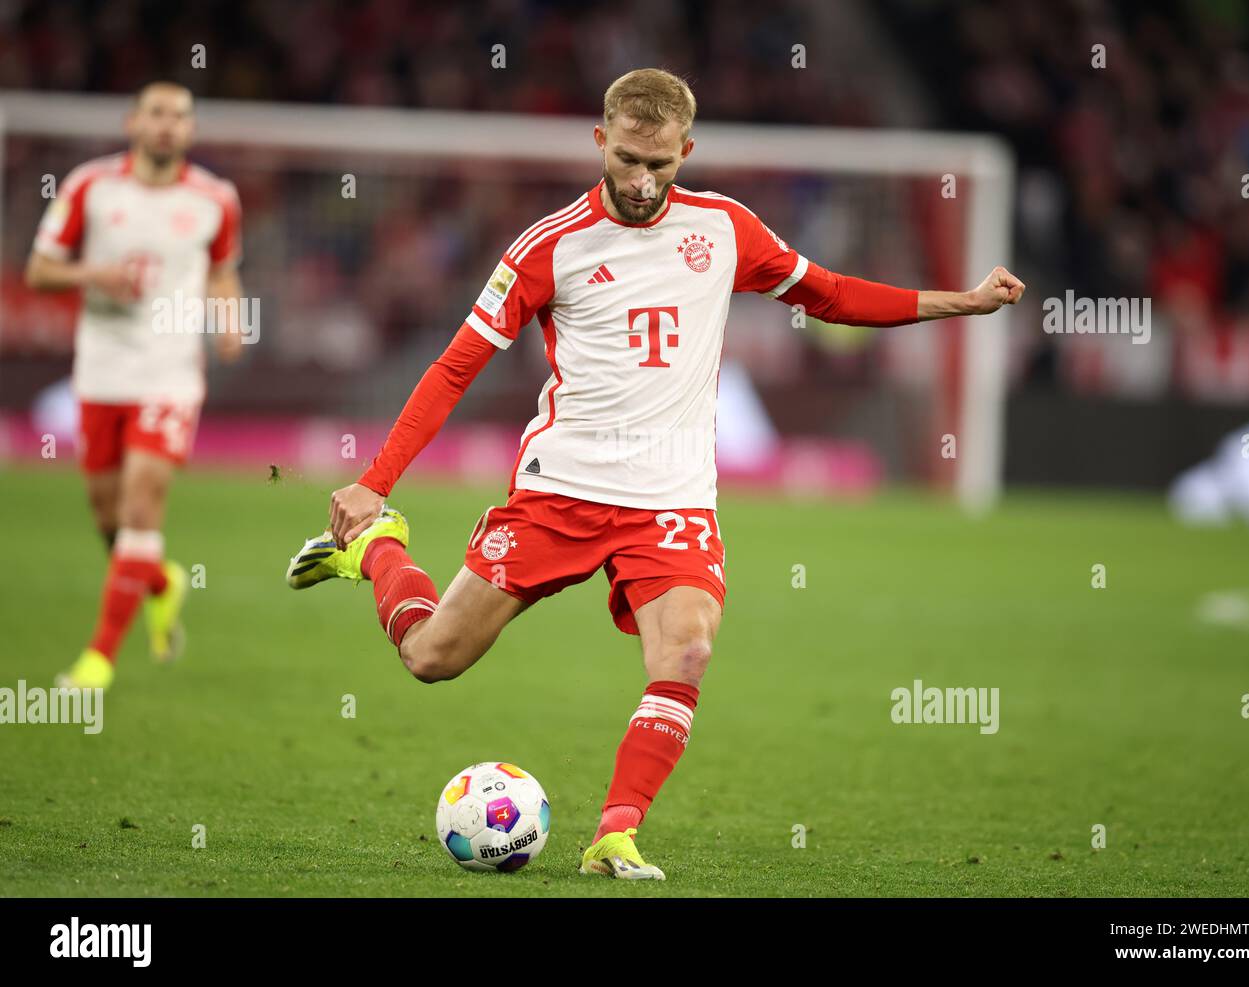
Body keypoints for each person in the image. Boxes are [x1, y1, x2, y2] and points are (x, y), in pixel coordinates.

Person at [285, 68, 1024, 879]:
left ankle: (615, 833)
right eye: (628, 160)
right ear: (601, 142)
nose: (642, 181)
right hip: (561, 490)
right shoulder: (548, 246)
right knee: (433, 655)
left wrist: (961, 301)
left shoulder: (726, 229)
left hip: (671, 499)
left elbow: (832, 295)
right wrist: (376, 483)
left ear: (687, 152)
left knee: (688, 651)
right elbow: (455, 367)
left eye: (660, 164)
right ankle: (376, 550)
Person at [27, 82, 245, 690]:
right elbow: (38, 270)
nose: (167, 125)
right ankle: (159, 581)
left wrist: (230, 320)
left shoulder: (216, 199)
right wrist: (90, 273)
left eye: (180, 116)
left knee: (140, 507)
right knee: (108, 516)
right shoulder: (90, 187)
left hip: (169, 373)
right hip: (101, 370)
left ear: (190, 130)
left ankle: (98, 659)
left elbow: (222, 271)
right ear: (133, 123)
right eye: (156, 113)